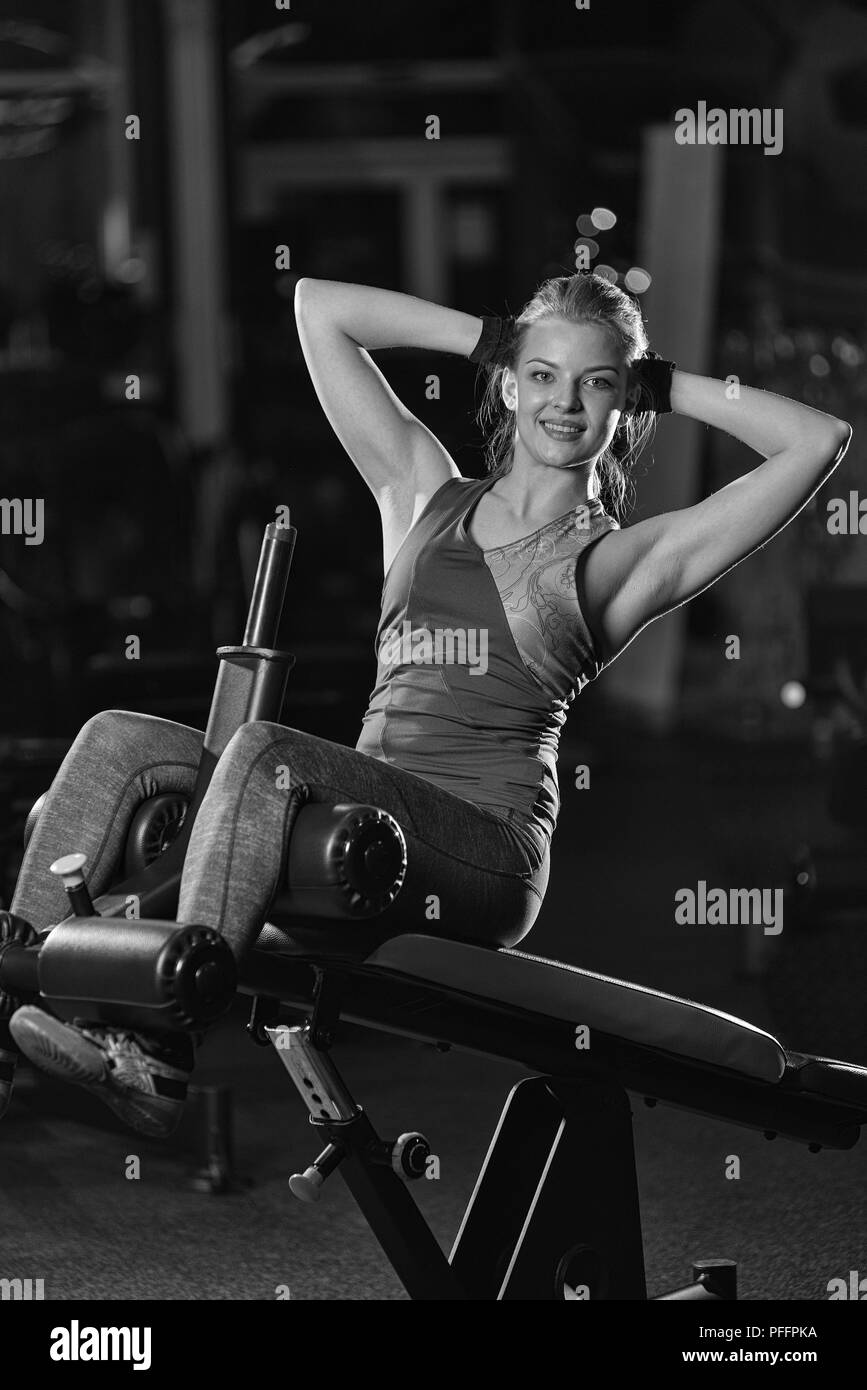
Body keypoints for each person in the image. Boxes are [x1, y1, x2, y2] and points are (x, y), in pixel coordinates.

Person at [0, 272, 851, 1138]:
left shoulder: (618, 562)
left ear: (620, 403)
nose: (566, 403)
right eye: (544, 375)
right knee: (116, 739)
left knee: (265, 751)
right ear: (509, 383)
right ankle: (12, 989)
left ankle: (154, 1055)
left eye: (595, 384)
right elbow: (317, 309)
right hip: (363, 803)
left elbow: (815, 440)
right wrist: (490, 335)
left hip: (480, 850)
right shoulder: (420, 493)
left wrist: (657, 383)